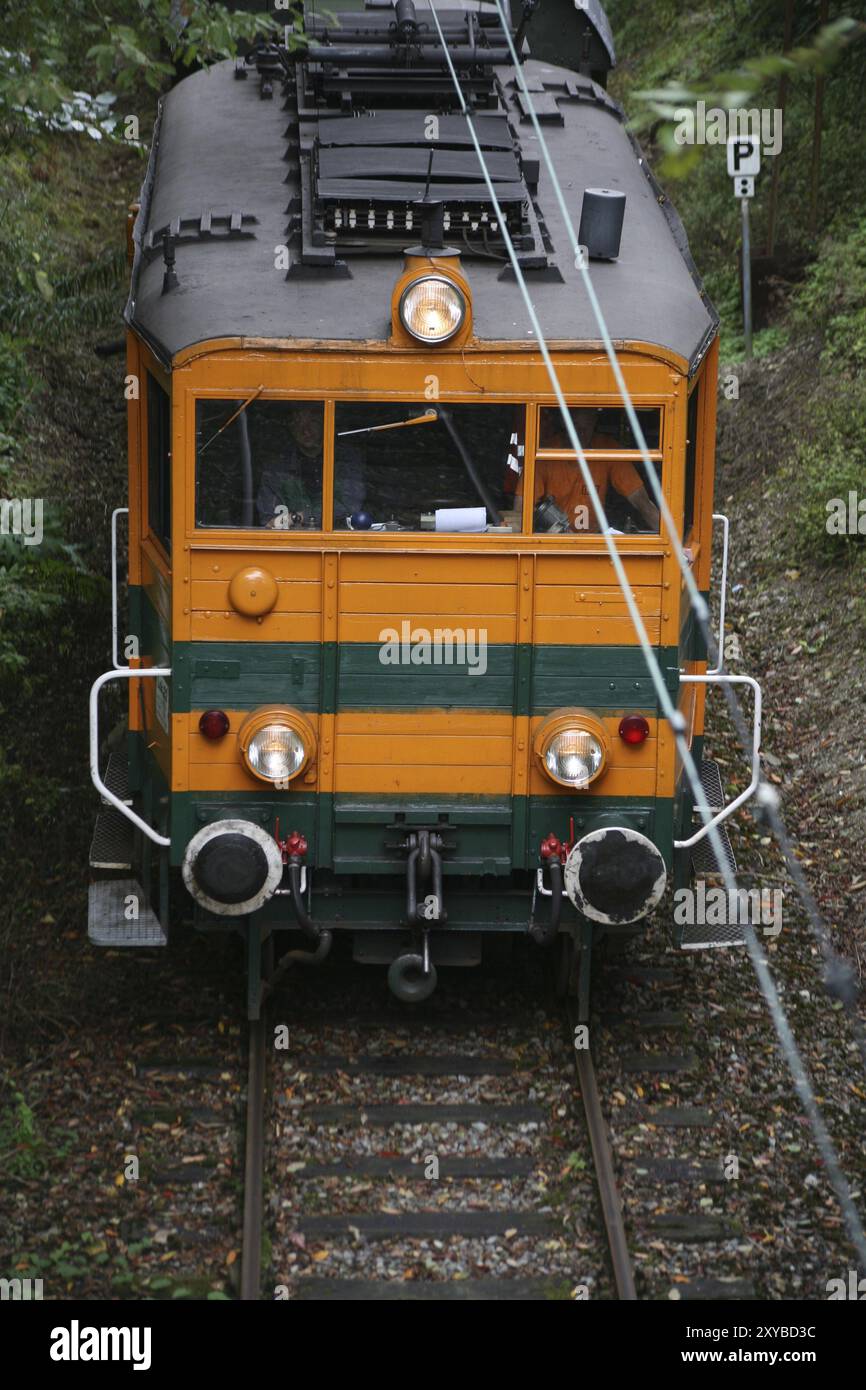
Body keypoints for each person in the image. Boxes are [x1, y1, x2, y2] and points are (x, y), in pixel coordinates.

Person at [520, 408, 660, 534]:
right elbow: (520, 507)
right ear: (564, 423)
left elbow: (642, 502)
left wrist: (671, 542)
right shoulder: (544, 453)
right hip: (553, 544)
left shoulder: (607, 450)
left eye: (584, 430)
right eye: (574, 428)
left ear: (594, 423)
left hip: (592, 543)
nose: (578, 436)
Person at [256, 405, 364, 528]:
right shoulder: (277, 469)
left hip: (338, 540)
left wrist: (298, 516)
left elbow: (349, 506)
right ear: (290, 428)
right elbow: (270, 521)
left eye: (312, 422)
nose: (305, 430)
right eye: (297, 423)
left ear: (325, 423)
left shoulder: (345, 461)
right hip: (291, 542)